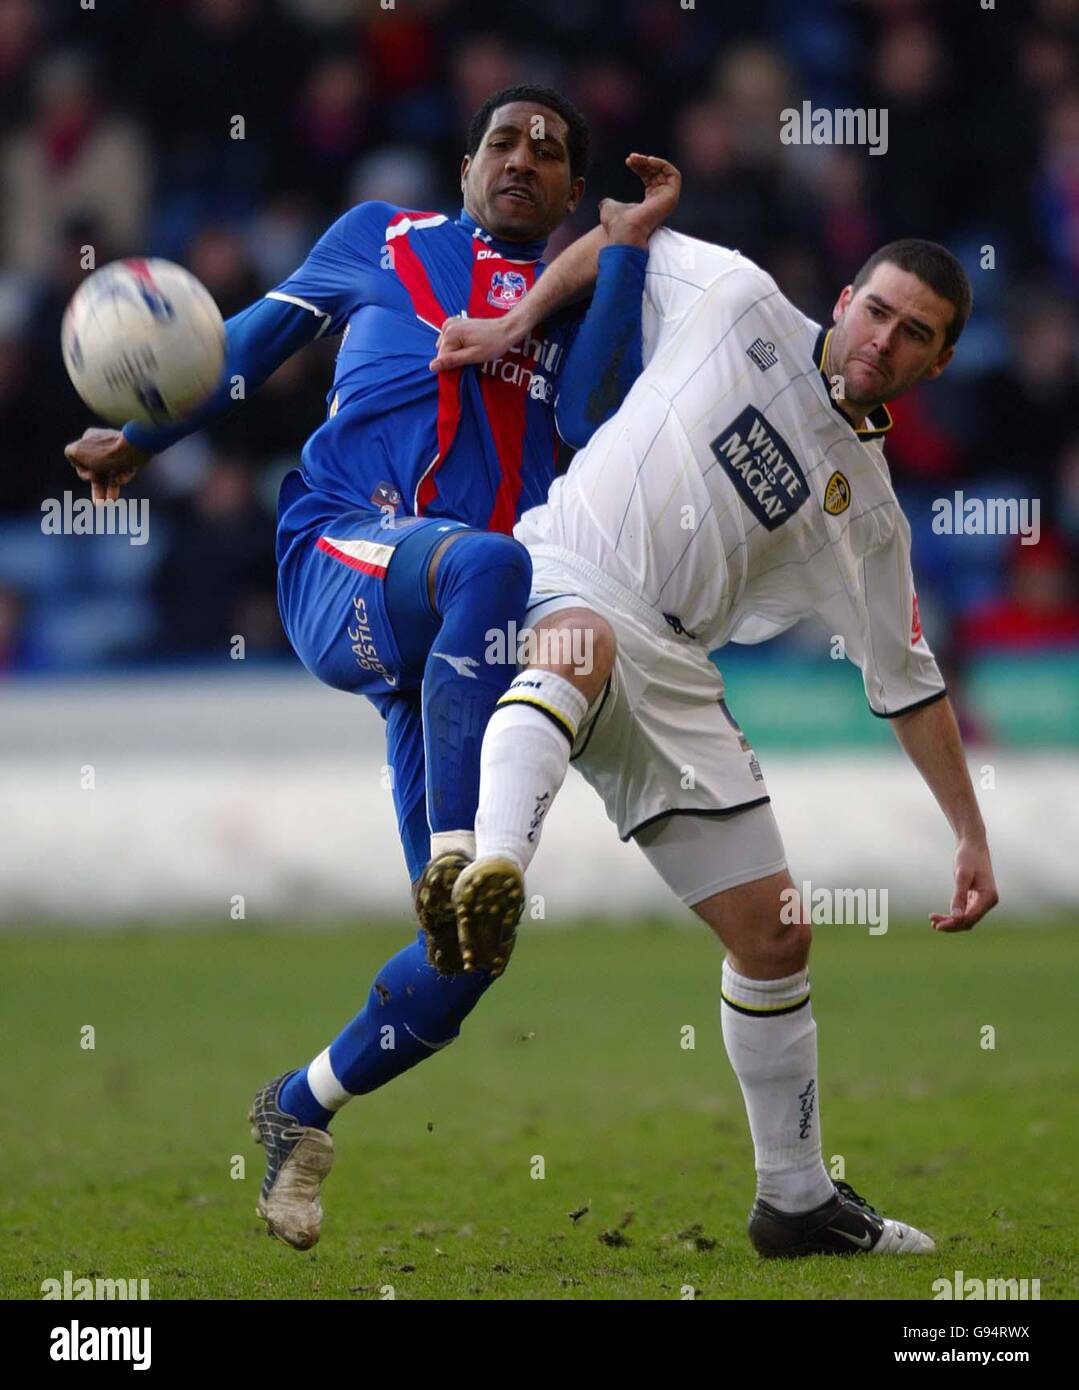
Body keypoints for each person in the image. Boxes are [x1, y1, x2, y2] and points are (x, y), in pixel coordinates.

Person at [64, 84, 681, 1250]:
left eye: (550, 153)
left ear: (566, 194)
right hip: (346, 552)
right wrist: (137, 439)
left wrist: (631, 251)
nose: (523, 158)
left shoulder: (576, 295)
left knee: (465, 967)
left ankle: (297, 1110)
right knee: (488, 566)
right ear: (461, 166)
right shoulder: (380, 240)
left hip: (457, 639)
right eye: (502, 139)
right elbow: (245, 343)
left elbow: (594, 416)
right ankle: (460, 859)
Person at [433, 231, 1000, 1258]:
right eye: (876, 310)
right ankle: (492, 873)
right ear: (842, 297)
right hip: (565, 565)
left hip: (678, 672)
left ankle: (793, 1200)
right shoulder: (737, 294)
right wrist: (518, 322)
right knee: (577, 638)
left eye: (914, 332)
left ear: (937, 362)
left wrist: (969, 834)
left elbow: (906, 685)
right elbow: (619, 236)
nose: (883, 339)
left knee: (776, 933)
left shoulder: (868, 514)